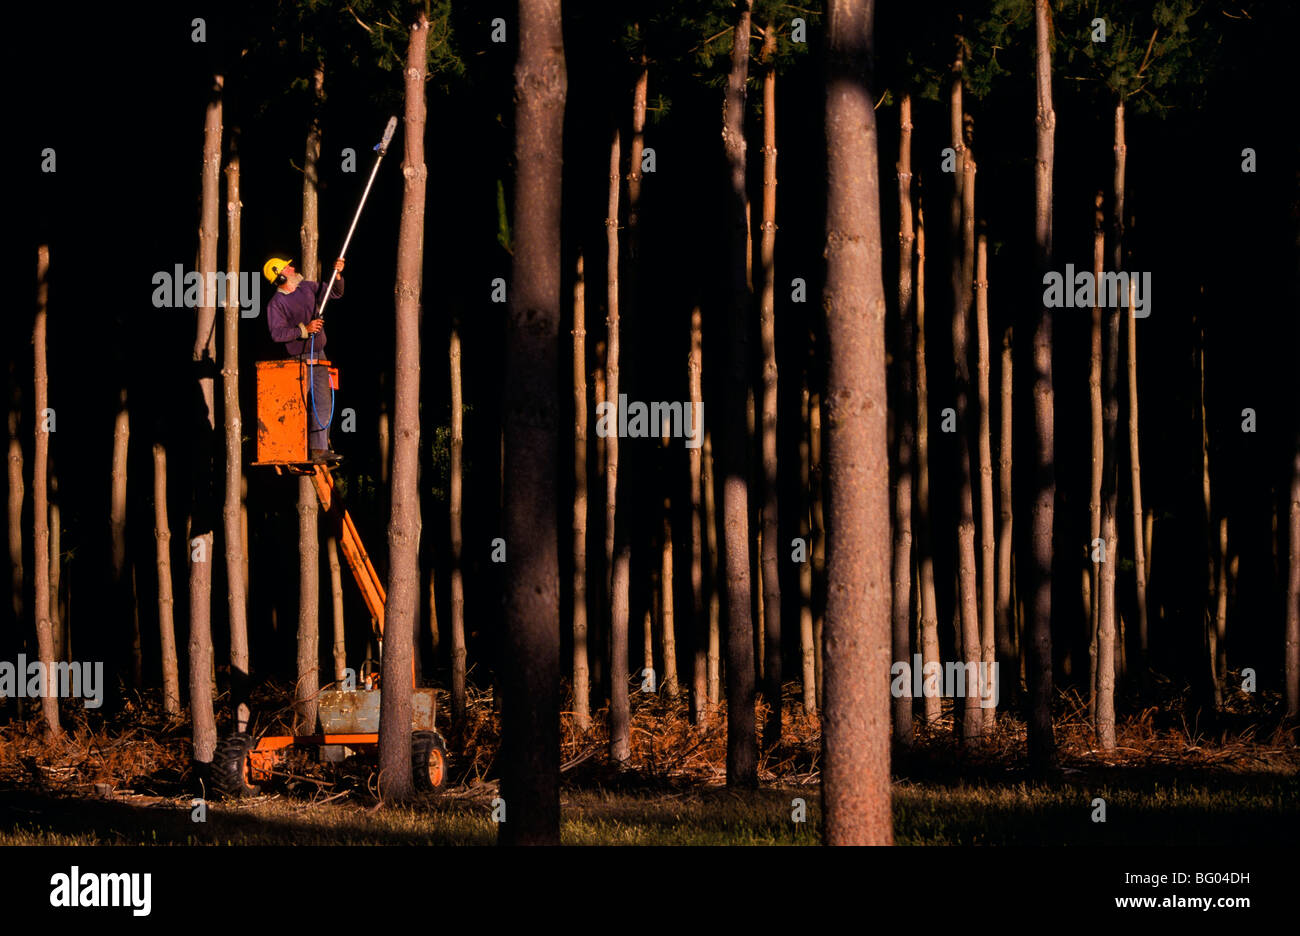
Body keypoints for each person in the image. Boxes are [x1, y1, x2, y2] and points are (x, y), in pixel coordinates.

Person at [264, 256, 346, 464]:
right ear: (280, 276)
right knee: (297, 405)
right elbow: (277, 334)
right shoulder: (276, 304)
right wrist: (304, 330)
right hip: (297, 360)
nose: (292, 267)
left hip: (319, 355)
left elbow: (335, 292)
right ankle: (294, 447)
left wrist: (337, 275)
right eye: (287, 267)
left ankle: (320, 449)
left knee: (323, 401)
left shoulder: (306, 287)